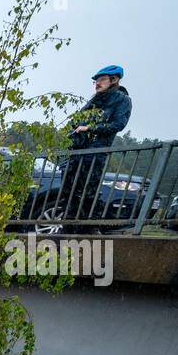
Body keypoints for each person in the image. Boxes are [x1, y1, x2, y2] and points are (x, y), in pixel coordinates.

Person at [59, 65, 132, 231]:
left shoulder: (122, 100)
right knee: (68, 190)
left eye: (102, 79)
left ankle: (90, 228)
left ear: (114, 80)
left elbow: (118, 124)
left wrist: (90, 128)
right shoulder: (94, 100)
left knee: (88, 190)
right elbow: (76, 120)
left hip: (96, 152)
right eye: (96, 81)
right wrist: (72, 131)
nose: (97, 83)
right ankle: (68, 226)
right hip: (76, 150)